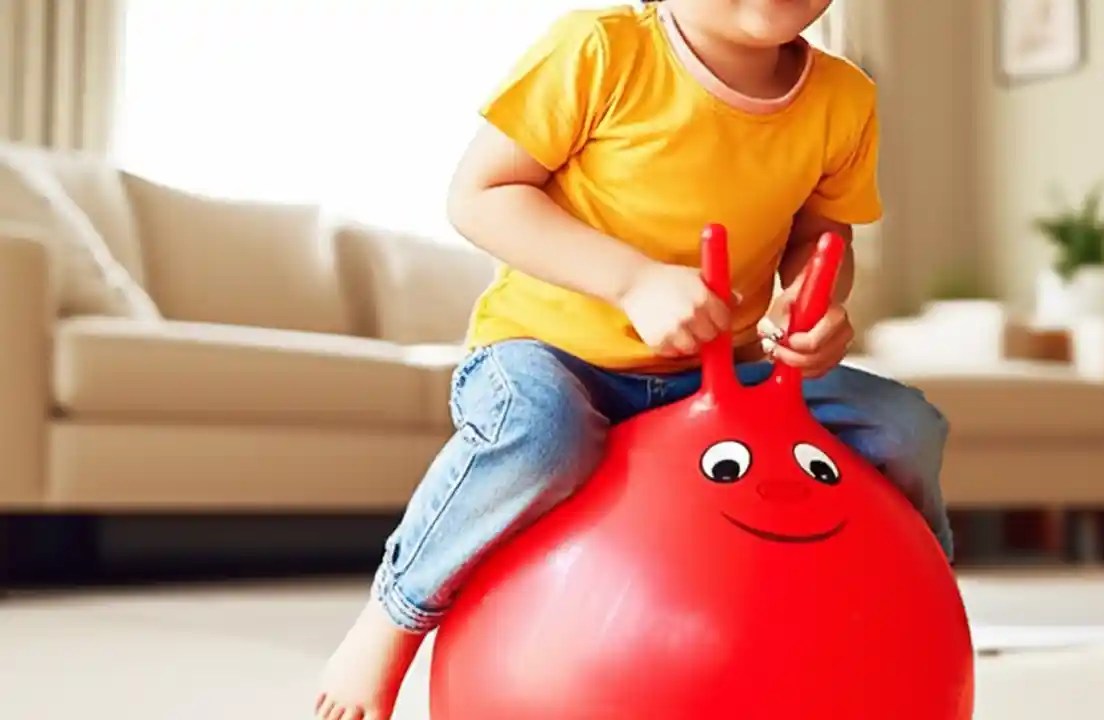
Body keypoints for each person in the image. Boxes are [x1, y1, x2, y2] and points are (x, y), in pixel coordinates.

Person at [315, 1, 953, 717]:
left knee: (904, 426)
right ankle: (392, 615)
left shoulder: (844, 98)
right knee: (539, 434)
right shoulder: (601, 51)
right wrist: (633, 281)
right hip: (551, 353)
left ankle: (915, 607)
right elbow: (479, 196)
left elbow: (821, 237)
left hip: (721, 375)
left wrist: (814, 304)